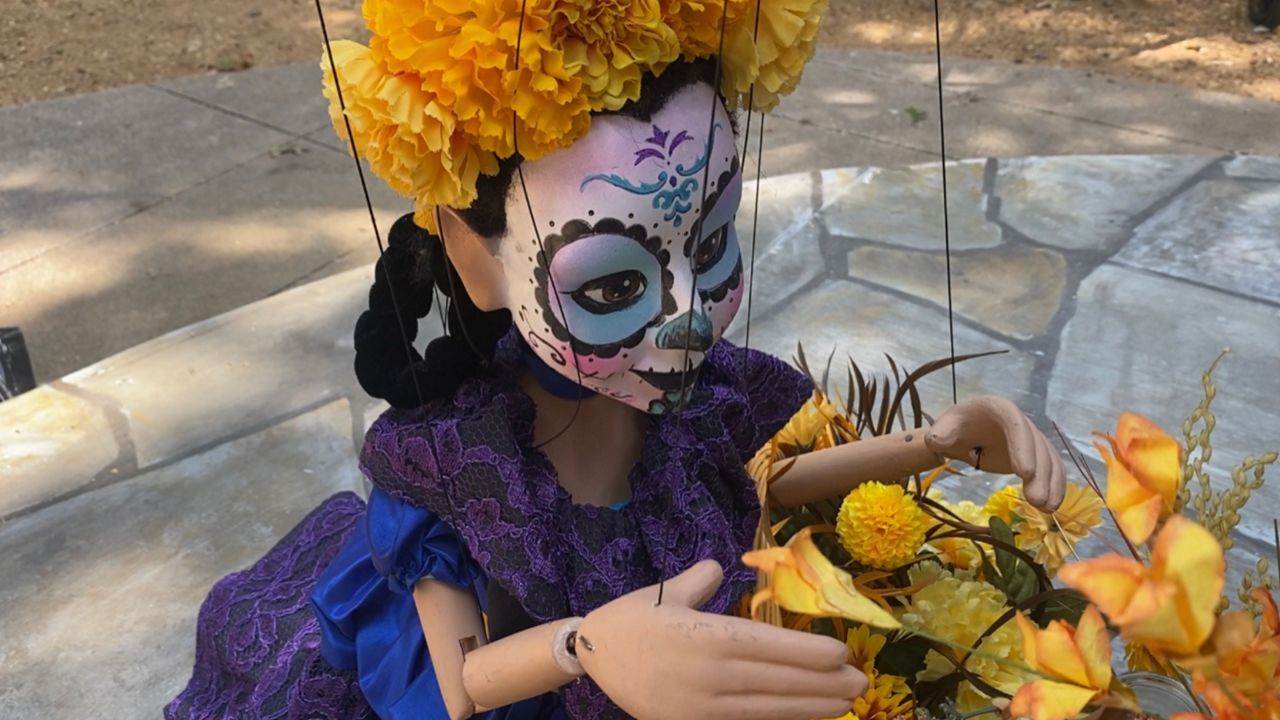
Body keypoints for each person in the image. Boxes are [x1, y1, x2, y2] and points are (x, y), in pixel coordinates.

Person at [167, 2, 1065, 719]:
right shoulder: (454, 468)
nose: (688, 319)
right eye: (612, 286)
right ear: (478, 261)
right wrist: (585, 647)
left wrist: (930, 444)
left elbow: (759, 481)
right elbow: (457, 686)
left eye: (711, 244)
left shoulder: (681, 396)